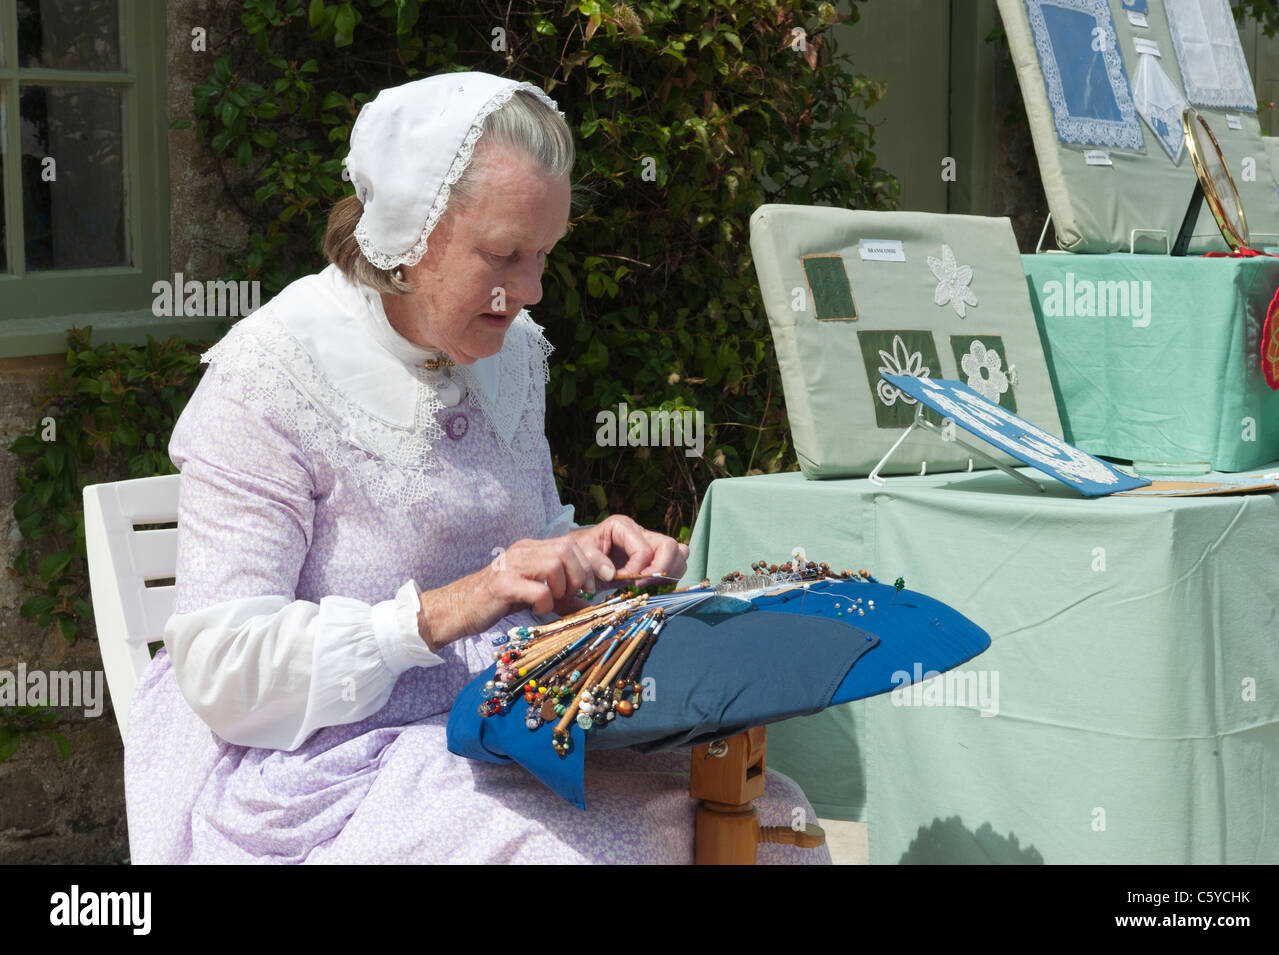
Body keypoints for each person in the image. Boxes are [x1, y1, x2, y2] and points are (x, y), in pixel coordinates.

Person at [124, 71, 831, 864]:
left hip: (507, 724)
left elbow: (531, 535)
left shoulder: (511, 352)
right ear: (408, 233)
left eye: (542, 256)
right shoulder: (270, 378)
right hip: (322, 765)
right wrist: (465, 600)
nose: (528, 291)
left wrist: (594, 553)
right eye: (503, 254)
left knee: (776, 820)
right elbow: (225, 675)